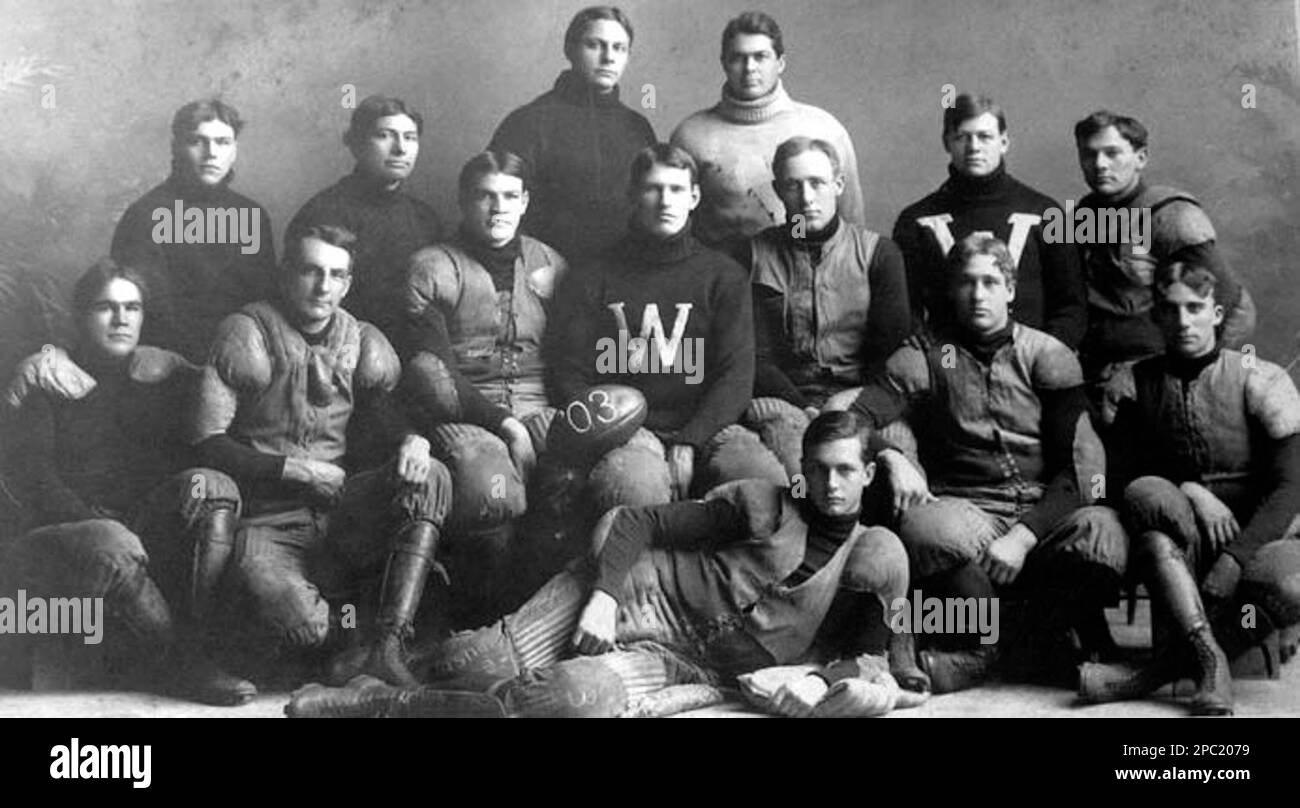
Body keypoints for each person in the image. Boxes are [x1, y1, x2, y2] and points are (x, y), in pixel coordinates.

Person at [285, 410, 930, 718]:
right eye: (818, 469)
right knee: (475, 663)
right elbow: (637, 520)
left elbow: (873, 656)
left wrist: (819, 682)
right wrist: (604, 593)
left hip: (683, 660)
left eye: (846, 470)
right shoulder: (764, 504)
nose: (831, 483)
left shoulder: (873, 553)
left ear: (869, 473)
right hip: (632, 591)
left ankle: (376, 707)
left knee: (565, 701)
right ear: (803, 471)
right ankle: (370, 684)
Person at [848, 233, 1126, 692]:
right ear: (951, 290)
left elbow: (1079, 471)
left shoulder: (1047, 354)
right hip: (968, 510)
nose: (978, 295)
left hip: (1044, 509)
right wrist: (891, 455)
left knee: (1104, 533)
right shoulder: (926, 355)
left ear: (1010, 290)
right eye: (966, 283)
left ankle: (1019, 641)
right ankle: (993, 648)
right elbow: (855, 418)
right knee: (923, 530)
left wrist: (1024, 534)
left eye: (990, 282)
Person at [190, 225, 451, 687]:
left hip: (340, 513)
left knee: (430, 473)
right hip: (268, 519)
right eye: (310, 271)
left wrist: (414, 439)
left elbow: (388, 415)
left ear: (348, 283)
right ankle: (346, 649)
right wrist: (298, 470)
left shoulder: (361, 338)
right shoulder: (246, 331)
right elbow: (207, 442)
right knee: (305, 626)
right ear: (286, 274)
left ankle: (387, 647)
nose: (322, 286)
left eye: (335, 275)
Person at [0, 258, 254, 705]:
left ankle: (197, 647)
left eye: (132, 307)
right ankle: (176, 665)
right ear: (80, 316)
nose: (121, 318)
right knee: (114, 544)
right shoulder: (46, 378)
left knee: (211, 486)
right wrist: (105, 525)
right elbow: (37, 482)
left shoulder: (160, 374)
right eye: (106, 307)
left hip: (137, 522)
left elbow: (201, 435)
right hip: (62, 535)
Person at [1079, 261, 1300, 716]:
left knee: (1295, 584)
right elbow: (1117, 479)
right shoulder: (1136, 383)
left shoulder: (1259, 377)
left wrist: (1236, 559)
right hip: (1179, 538)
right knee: (1148, 503)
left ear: (1217, 314)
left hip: (1257, 535)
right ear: (1156, 316)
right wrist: (1192, 489)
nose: (1183, 322)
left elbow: (1291, 485)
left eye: (1195, 308)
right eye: (1171, 309)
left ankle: (1161, 669)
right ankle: (1206, 655)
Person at [547, 143, 786, 510]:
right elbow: (569, 372)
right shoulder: (592, 275)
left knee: (765, 491)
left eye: (676, 190)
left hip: (711, 425)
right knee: (630, 491)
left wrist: (691, 440)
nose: (665, 201)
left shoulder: (723, 276)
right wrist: (613, 427)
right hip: (628, 431)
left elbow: (736, 375)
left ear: (694, 197)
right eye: (653, 189)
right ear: (632, 195)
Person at [5, 99, 277, 404]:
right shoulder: (146, 215)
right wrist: (200, 369)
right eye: (197, 141)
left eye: (223, 142)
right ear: (176, 148)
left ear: (234, 150)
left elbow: (264, 300)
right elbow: (144, 309)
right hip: (164, 365)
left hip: (237, 361)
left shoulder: (252, 216)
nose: (211, 153)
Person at [1072, 110, 1257, 423]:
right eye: (1090, 154)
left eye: (1112, 153)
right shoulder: (1085, 213)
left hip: (1154, 378)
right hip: (1096, 376)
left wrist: (1189, 370)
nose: (1100, 164)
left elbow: (1230, 302)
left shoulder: (1171, 215)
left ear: (1141, 157)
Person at [746, 136, 911, 474]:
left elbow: (889, 355)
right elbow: (755, 359)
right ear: (778, 191)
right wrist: (805, 408)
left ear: (838, 184)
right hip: (784, 401)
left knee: (900, 473)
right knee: (799, 478)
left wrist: (852, 408)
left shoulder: (880, 254)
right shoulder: (750, 255)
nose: (807, 198)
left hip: (860, 399)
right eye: (794, 186)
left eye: (817, 183)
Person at [894, 93, 1086, 348]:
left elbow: (1072, 306)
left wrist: (1041, 358)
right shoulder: (915, 221)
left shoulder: (1047, 213)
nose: (974, 147)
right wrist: (939, 362)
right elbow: (907, 311)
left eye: (985, 137)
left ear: (1004, 141)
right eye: (962, 137)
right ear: (946, 142)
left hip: (1028, 368)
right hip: (949, 364)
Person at [670, 11, 864, 255]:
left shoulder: (821, 129)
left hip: (803, 277)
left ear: (780, 63)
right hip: (723, 280)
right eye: (738, 58)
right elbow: (678, 227)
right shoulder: (692, 135)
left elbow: (852, 227)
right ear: (724, 63)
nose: (750, 67)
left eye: (760, 57)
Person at [488, 5, 656, 264]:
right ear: (570, 49)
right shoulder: (529, 121)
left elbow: (650, 210)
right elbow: (495, 209)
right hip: (545, 276)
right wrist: (535, 267)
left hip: (625, 274)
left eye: (619, 48)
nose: (608, 57)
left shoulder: (638, 127)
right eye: (595, 45)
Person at [286, 95, 441, 342]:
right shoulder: (324, 212)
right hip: (345, 351)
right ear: (357, 144)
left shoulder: (425, 218)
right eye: (385, 135)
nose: (400, 148)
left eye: (410, 137)